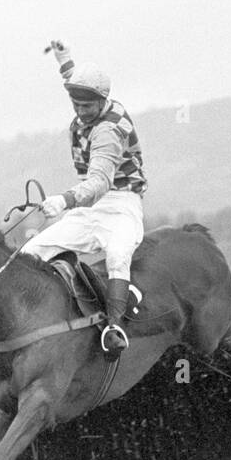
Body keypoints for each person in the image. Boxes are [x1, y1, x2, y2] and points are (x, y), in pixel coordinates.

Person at [19, 40, 147, 360]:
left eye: (87, 107)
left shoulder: (108, 130)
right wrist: (64, 59)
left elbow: (100, 181)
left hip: (120, 203)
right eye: (76, 105)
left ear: (102, 101)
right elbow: (73, 81)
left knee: (117, 254)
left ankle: (114, 329)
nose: (80, 111)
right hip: (88, 206)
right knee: (31, 252)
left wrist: (63, 201)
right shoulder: (86, 97)